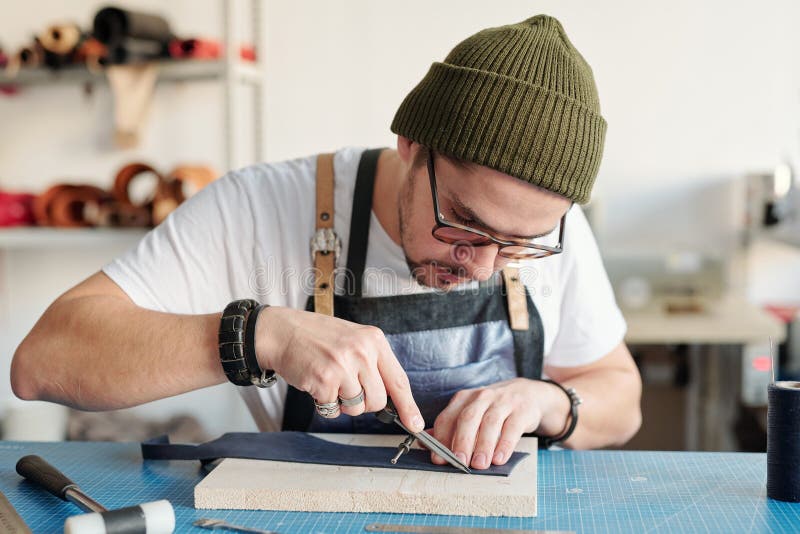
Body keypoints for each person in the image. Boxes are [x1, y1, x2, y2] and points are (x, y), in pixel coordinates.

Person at [11, 15, 641, 470]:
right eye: (463, 225)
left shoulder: (550, 231)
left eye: (517, 245)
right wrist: (260, 336)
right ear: (411, 146)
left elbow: (621, 394)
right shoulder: (257, 208)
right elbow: (41, 362)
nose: (481, 267)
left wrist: (548, 401)